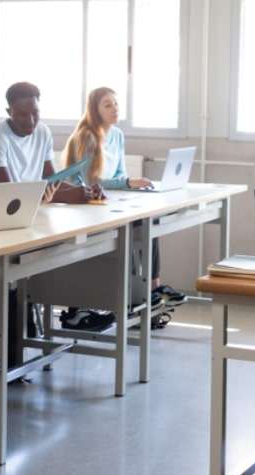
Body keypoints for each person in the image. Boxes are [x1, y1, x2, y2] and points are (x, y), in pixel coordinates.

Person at [63, 87, 187, 313]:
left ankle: (152, 288)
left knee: (149, 221)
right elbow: (93, 181)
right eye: (107, 105)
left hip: (108, 201)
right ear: (95, 109)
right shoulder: (86, 136)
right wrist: (128, 183)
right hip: (84, 206)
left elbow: (118, 174)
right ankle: (135, 296)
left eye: (116, 104)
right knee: (132, 230)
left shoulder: (117, 134)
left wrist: (128, 183)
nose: (114, 109)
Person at [0, 81, 99, 204]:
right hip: (3, 212)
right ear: (9, 112)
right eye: (23, 115)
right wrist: (67, 195)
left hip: (35, 208)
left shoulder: (42, 131)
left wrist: (85, 191)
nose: (30, 121)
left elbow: (50, 181)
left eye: (35, 113)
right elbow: (8, 193)